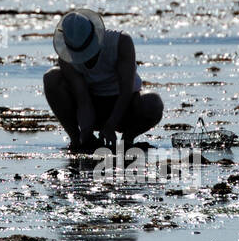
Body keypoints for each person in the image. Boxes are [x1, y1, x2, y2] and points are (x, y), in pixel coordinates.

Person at [42, 8, 163, 153]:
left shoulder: (121, 42)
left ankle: (128, 139)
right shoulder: (67, 58)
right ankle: (76, 139)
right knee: (51, 78)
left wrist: (111, 125)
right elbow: (83, 99)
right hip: (94, 105)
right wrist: (85, 132)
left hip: (126, 105)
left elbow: (126, 90)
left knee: (153, 102)